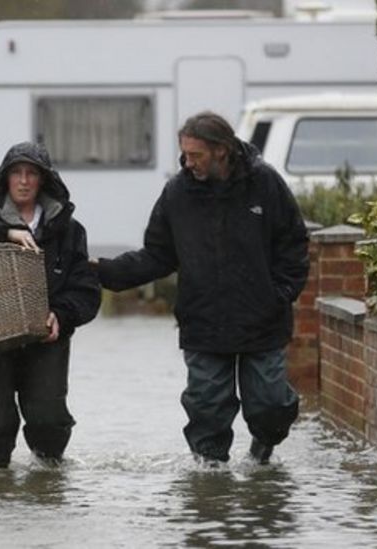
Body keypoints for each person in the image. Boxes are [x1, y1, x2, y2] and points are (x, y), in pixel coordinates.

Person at [94, 111, 309, 465]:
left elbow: (294, 242)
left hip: (263, 319)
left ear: (221, 151)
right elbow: (157, 255)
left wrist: (282, 293)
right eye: (185, 154)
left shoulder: (265, 183)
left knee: (271, 406)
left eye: (196, 155)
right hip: (203, 321)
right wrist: (105, 272)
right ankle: (209, 481)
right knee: (207, 407)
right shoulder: (178, 193)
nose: (187, 162)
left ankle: (263, 447)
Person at [0, 141, 101, 469]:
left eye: (31, 174)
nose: (24, 181)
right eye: (16, 173)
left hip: (44, 338)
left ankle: (48, 482)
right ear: (5, 178)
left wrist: (62, 315)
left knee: (49, 419)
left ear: (44, 180)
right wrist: (6, 233)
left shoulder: (70, 230)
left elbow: (85, 289)